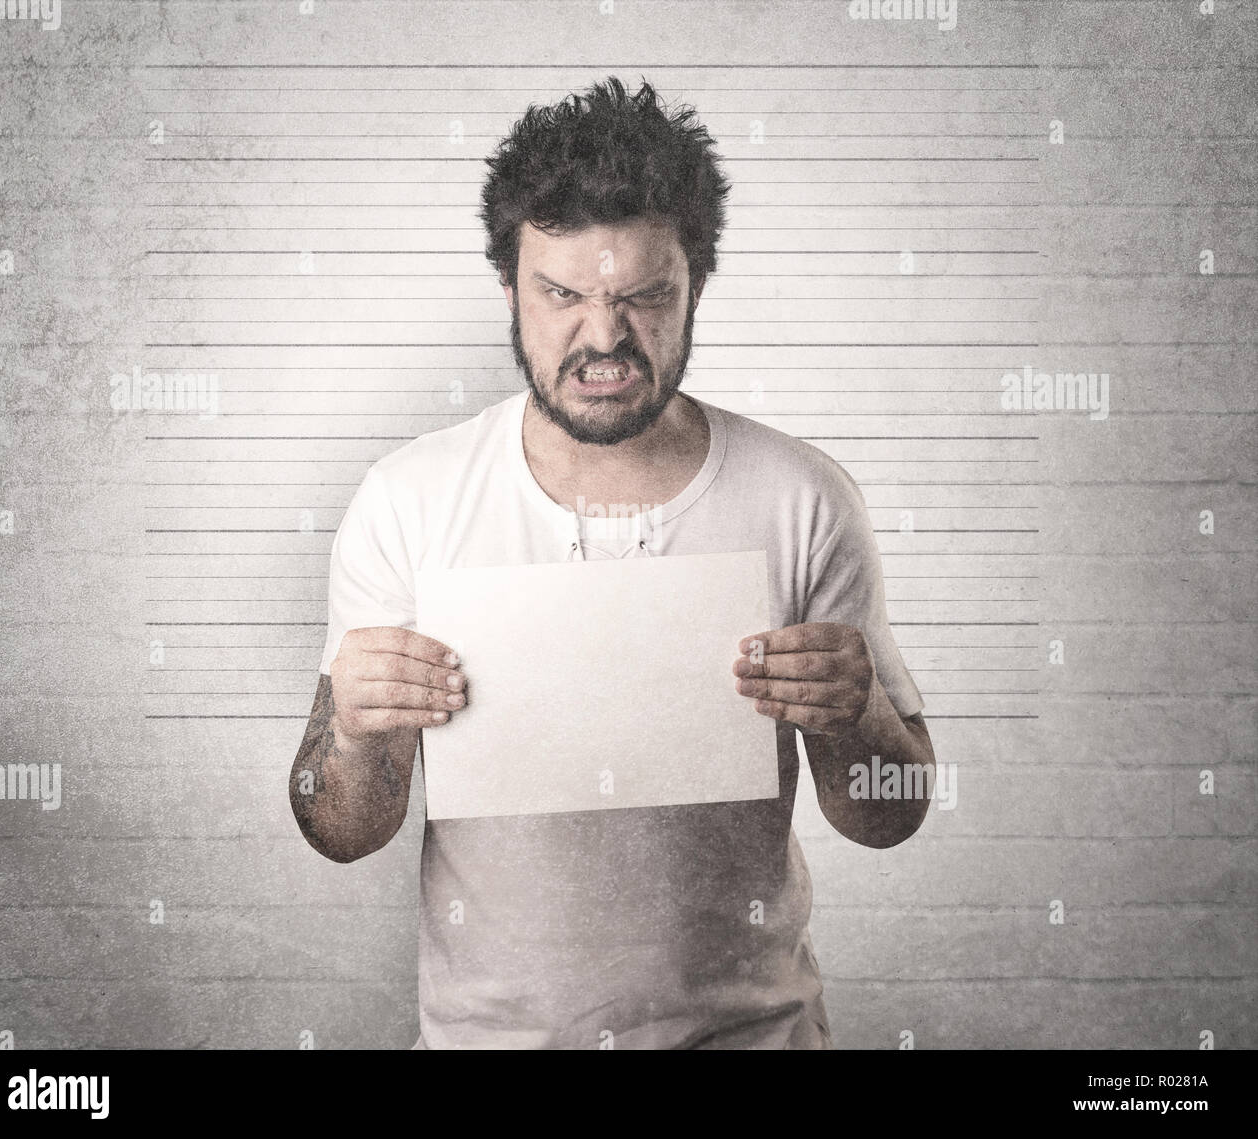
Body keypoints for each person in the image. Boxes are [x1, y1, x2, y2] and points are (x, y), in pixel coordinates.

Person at [288, 76, 937, 1049]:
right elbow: (338, 826)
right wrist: (351, 733)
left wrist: (858, 714)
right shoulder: (406, 499)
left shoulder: (803, 495)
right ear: (507, 286)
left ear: (696, 286)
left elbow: (890, 816)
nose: (603, 336)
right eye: (561, 294)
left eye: (643, 295)